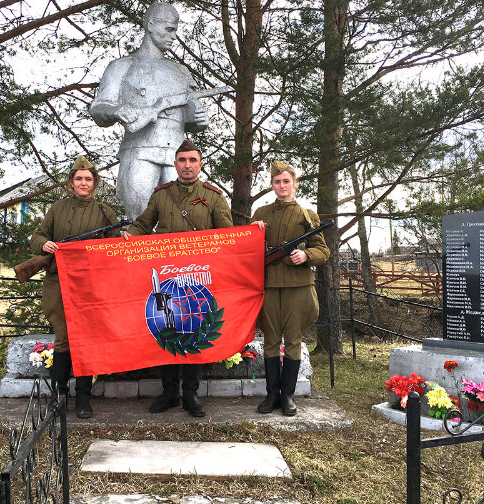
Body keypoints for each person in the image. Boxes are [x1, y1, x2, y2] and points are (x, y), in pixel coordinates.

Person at [123, 139, 232, 417]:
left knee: (194, 331)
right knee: (166, 328)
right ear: (175, 164)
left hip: (198, 279)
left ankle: (191, 394)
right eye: (182, 160)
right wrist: (130, 235)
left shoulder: (213, 196)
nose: (187, 165)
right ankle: (169, 391)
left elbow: (227, 237)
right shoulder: (161, 195)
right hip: (169, 278)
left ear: (200, 164)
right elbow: (143, 225)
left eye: (192, 160)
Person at [89, 2, 211, 220]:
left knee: (180, 222)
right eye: (169, 29)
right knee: (137, 220)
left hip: (177, 155)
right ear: (151, 24)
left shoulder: (181, 72)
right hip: (139, 151)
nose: (174, 36)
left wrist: (199, 119)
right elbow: (99, 108)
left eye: (175, 30)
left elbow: (192, 114)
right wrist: (118, 110)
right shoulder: (122, 66)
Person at [29, 156, 119, 418]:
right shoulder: (57, 209)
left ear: (95, 183)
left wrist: (124, 240)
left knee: (86, 340)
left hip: (90, 283)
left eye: (88, 179)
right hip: (59, 281)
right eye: (78, 178)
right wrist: (44, 245)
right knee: (63, 337)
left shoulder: (105, 212)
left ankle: (83, 398)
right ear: (71, 182)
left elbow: (115, 249)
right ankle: (59, 396)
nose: (83, 183)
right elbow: (38, 235)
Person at [250, 161, 330, 416]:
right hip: (270, 285)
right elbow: (248, 247)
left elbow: (323, 250)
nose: (281, 186)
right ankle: (271, 394)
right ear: (272, 185)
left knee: (293, 341)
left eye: (286, 181)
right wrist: (254, 232)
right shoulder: (261, 214)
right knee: (270, 341)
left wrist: (306, 256)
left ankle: (287, 396)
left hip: (298, 287)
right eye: (277, 182)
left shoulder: (307, 216)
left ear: (294, 184)